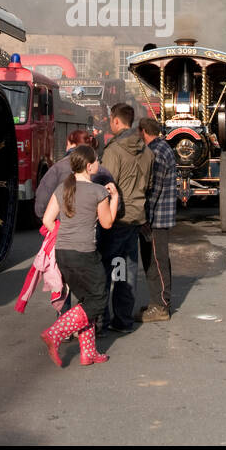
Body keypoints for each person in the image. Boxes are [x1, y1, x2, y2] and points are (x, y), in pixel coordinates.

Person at [40, 146, 119, 366]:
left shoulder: (62, 188)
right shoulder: (98, 191)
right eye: (97, 161)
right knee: (98, 300)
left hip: (63, 253)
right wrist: (115, 198)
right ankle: (55, 333)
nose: (99, 164)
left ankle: (88, 353)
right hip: (85, 253)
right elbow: (107, 223)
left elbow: (47, 221)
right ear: (88, 165)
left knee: (86, 301)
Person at [98, 103, 151, 334]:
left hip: (116, 218)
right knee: (126, 270)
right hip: (136, 217)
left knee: (104, 270)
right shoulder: (147, 151)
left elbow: (106, 186)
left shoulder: (114, 150)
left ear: (116, 120)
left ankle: (101, 320)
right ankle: (123, 320)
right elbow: (147, 185)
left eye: (111, 120)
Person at [138, 117, 177, 321]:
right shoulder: (161, 147)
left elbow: (154, 187)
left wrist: (144, 216)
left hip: (156, 218)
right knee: (153, 260)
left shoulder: (156, 151)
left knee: (156, 262)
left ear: (143, 131)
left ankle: (161, 306)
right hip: (158, 216)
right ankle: (156, 301)